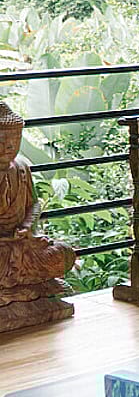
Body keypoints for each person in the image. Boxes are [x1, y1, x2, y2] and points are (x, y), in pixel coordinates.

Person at [0, 101, 76, 283]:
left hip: (21, 243)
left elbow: (34, 203)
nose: (8, 148)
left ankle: (22, 282)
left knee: (63, 254)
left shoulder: (21, 169)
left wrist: (26, 227)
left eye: (14, 141)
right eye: (2, 141)